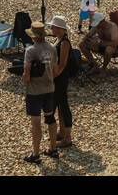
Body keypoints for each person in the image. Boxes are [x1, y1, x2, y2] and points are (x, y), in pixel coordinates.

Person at [21, 22, 58, 163]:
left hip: (34, 91)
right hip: (49, 88)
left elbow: (27, 74)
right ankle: (53, 149)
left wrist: (25, 81)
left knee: (35, 122)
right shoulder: (52, 48)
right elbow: (54, 69)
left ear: (33, 36)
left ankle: (36, 154)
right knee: (50, 118)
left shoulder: (30, 51)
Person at [48, 15, 77, 150]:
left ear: (59, 28)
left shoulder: (64, 42)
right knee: (60, 105)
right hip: (58, 77)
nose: (51, 28)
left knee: (63, 105)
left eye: (53, 27)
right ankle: (62, 131)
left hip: (60, 78)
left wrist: (53, 76)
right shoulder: (59, 39)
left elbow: (63, 63)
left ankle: (67, 138)